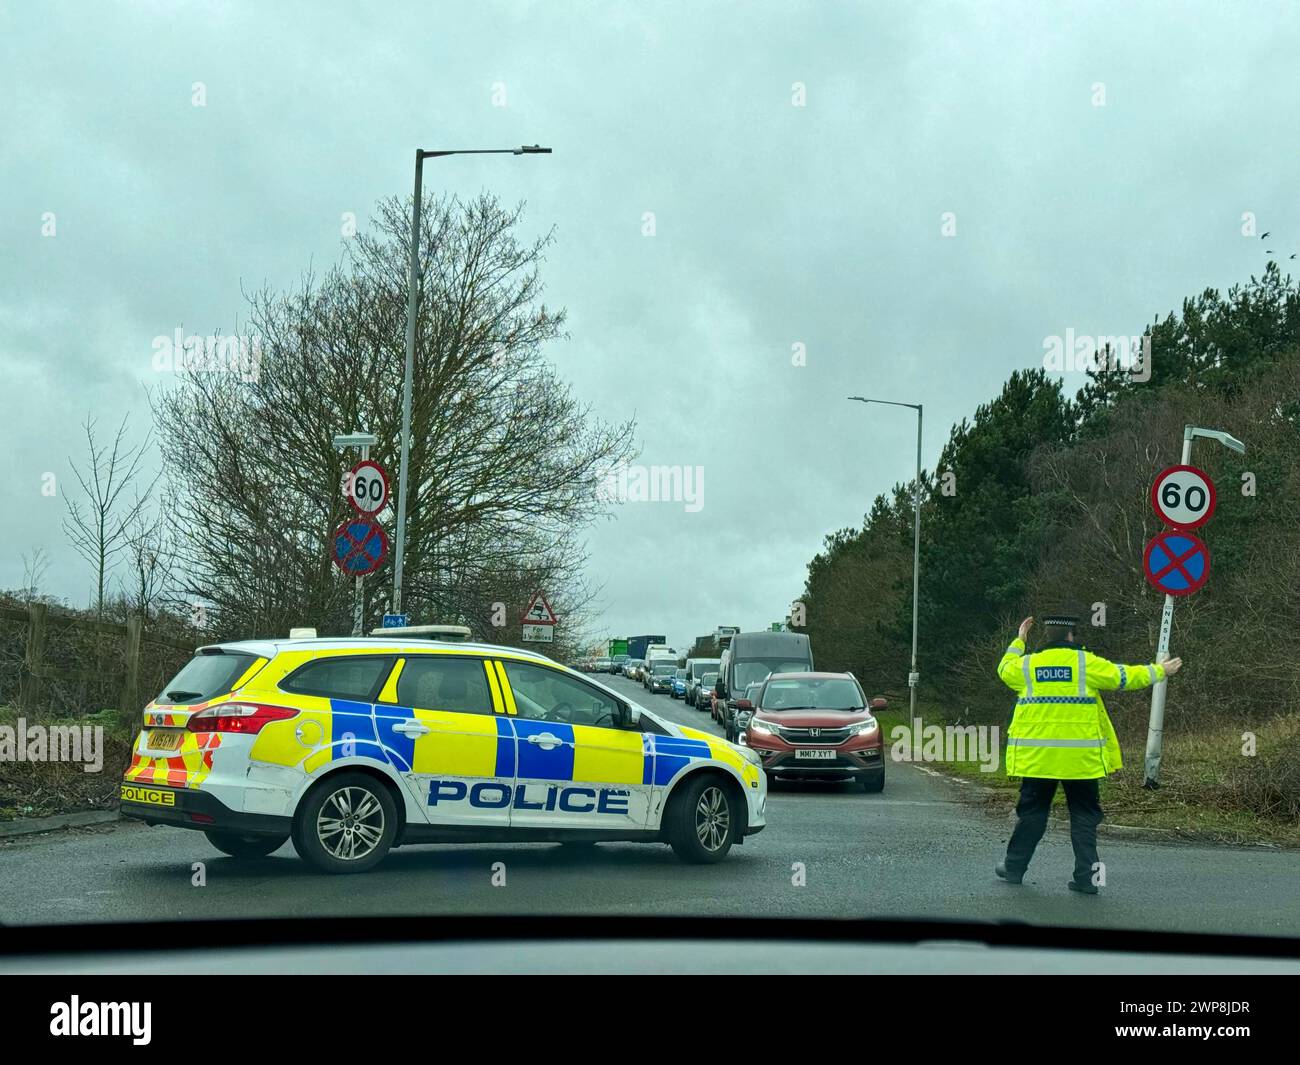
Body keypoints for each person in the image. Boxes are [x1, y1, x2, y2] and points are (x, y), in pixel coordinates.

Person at [994, 612, 1183, 894]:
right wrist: (1160, 671)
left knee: (1032, 815)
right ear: (1071, 636)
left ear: (1046, 637)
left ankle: (1013, 868)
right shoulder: (1086, 663)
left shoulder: (1027, 666)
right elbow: (1125, 676)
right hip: (1080, 762)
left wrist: (1020, 640)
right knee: (1084, 817)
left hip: (1037, 761)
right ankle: (1087, 879)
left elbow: (1004, 667)